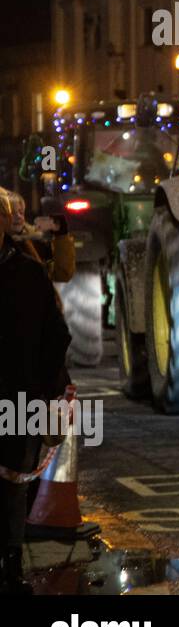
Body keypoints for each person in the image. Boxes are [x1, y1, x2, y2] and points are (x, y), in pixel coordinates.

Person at [0, 190, 71, 594]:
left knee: (14, 479)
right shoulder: (23, 269)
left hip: (20, 394)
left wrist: (46, 388)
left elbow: (54, 330)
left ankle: (10, 561)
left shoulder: (28, 266)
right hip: (21, 393)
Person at [2, 189, 75, 284]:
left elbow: (62, 274)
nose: (19, 216)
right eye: (12, 212)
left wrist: (61, 236)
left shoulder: (33, 243)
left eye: (21, 212)